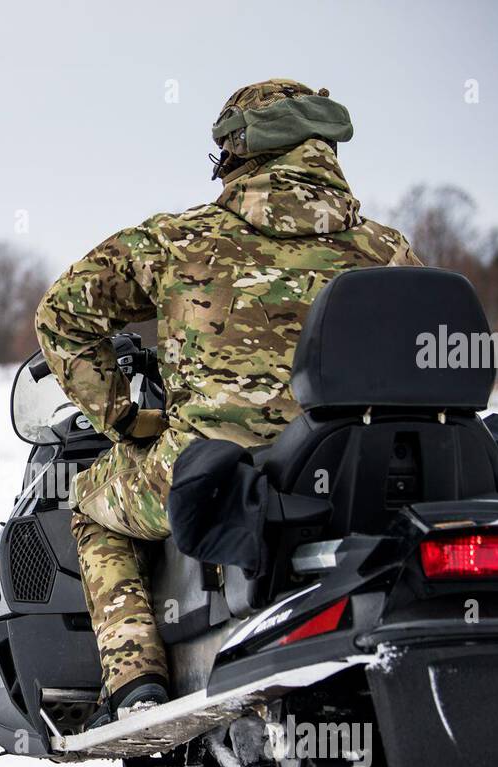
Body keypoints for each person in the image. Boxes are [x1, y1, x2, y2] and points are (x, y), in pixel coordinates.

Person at [34, 78, 422, 727]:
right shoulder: (388, 250)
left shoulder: (178, 240)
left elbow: (60, 315)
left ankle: (136, 683)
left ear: (239, 150)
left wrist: (128, 417)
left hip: (216, 471)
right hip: (361, 470)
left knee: (92, 503)